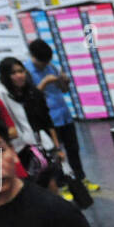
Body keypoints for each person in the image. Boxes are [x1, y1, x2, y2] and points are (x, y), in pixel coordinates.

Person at [0, 56, 82, 204]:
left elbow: (46, 121)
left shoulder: (32, 93)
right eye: (14, 73)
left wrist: (56, 147)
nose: (19, 75)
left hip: (40, 146)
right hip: (19, 150)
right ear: (6, 76)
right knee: (30, 189)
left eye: (21, 71)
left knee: (51, 184)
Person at [26, 38, 99, 194]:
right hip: (48, 119)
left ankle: (80, 178)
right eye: (41, 62)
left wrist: (65, 82)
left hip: (64, 114)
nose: (44, 65)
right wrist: (45, 82)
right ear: (33, 56)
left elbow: (64, 90)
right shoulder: (26, 72)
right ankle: (62, 184)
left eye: (47, 61)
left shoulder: (52, 67)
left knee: (73, 149)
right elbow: (31, 98)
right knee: (55, 154)